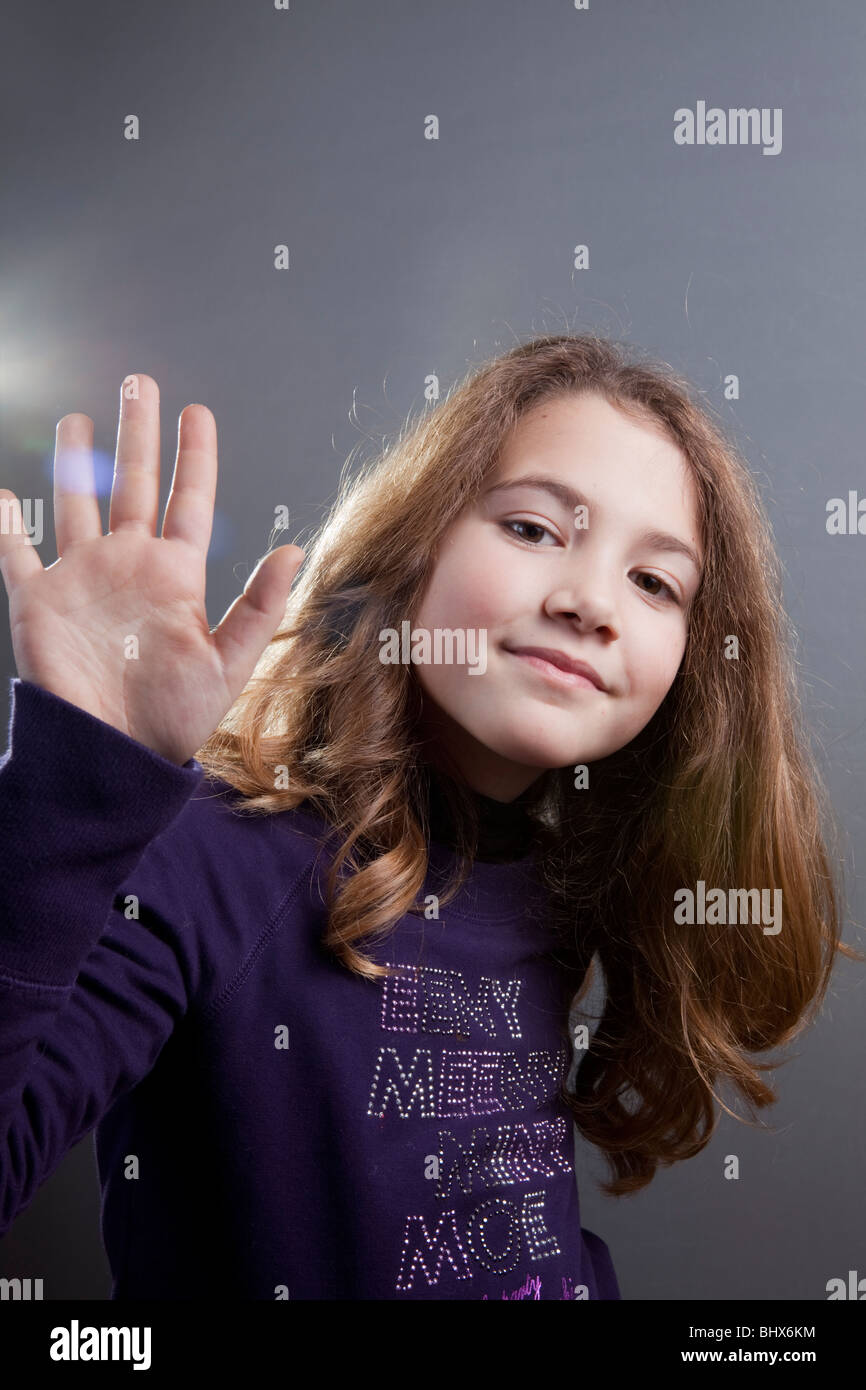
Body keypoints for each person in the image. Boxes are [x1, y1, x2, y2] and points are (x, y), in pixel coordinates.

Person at [0, 334, 852, 1300]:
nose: (589, 603)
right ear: (415, 543)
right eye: (533, 529)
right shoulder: (210, 855)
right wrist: (76, 780)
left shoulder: (559, 883)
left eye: (655, 582)